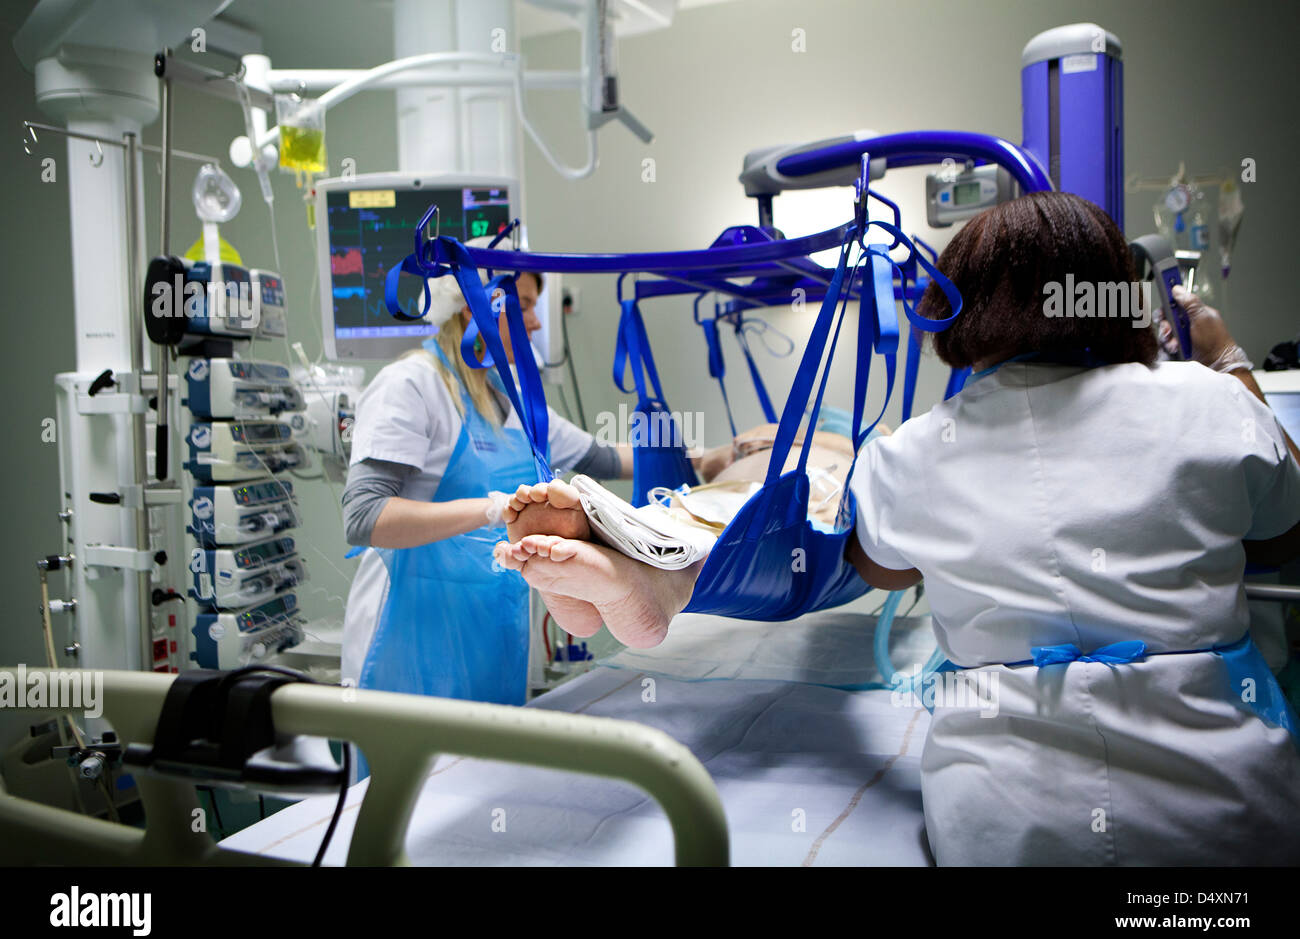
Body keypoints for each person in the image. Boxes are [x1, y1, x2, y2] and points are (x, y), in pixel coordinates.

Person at [493, 191, 1300, 865]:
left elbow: (863, 561)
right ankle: (655, 551)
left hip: (1005, 822)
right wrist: (1226, 356)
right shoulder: (1208, 406)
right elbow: (1284, 513)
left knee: (792, 497)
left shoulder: (916, 451)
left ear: (955, 309)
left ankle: (659, 562)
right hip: (1219, 823)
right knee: (755, 495)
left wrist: (856, 471)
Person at [339, 260, 643, 704]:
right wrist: (492, 509)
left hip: (493, 625)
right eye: (523, 306)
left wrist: (708, 457)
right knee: (409, 769)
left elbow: (600, 457)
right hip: (412, 633)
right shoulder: (412, 384)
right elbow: (365, 516)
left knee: (488, 764)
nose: (536, 323)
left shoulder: (511, 396)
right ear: (473, 309)